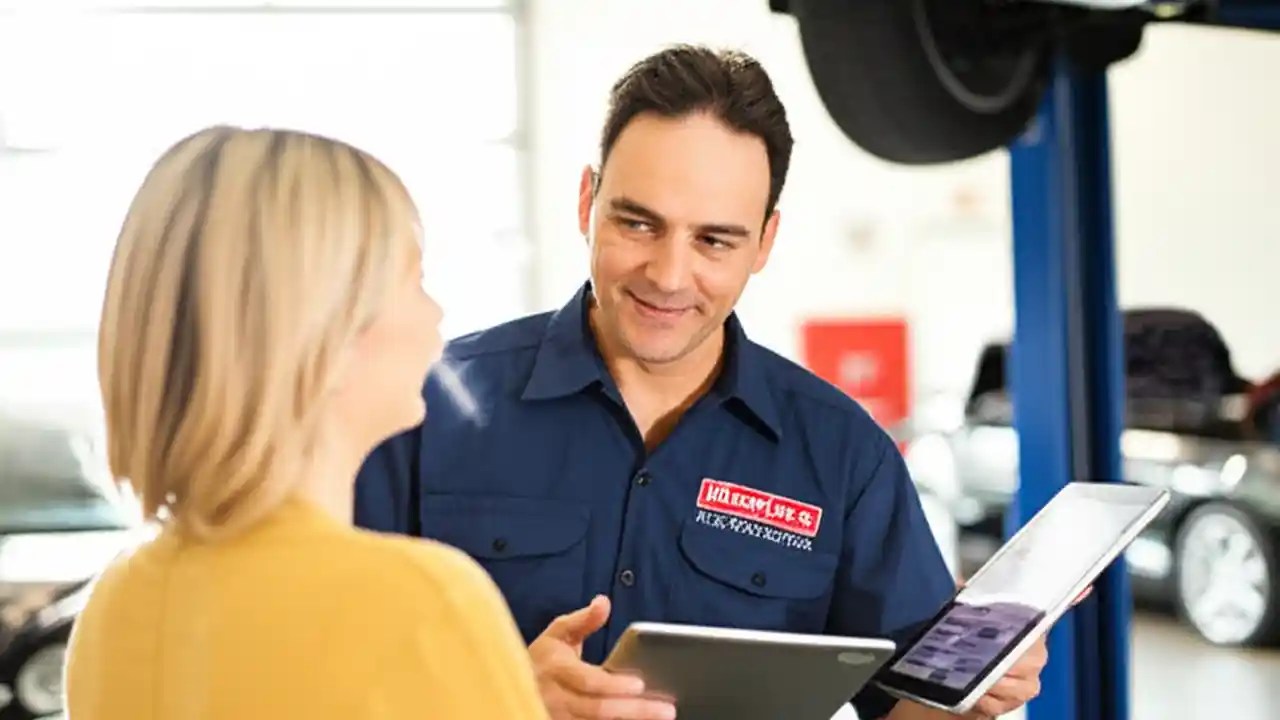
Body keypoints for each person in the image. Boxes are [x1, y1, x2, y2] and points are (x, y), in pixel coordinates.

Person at [355, 46, 1051, 720]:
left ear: (764, 242)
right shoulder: (424, 409)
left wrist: (975, 691)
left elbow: (910, 710)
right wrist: (498, 699)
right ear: (587, 202)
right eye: (638, 223)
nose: (668, 275)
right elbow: (319, 667)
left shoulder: (843, 456)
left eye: (714, 240)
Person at [66, 125, 548, 720]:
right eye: (414, 281)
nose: (436, 313)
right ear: (328, 329)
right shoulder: (419, 604)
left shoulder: (116, 604)